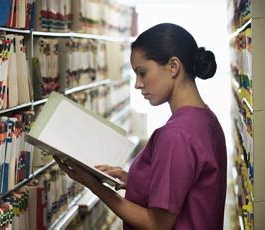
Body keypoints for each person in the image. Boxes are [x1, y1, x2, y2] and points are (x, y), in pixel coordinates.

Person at [54, 23, 227, 230]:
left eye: (142, 73)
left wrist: (94, 185)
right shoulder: (207, 119)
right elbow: (189, 188)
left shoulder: (175, 135)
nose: (137, 84)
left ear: (173, 67)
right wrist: (137, 181)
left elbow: (156, 224)